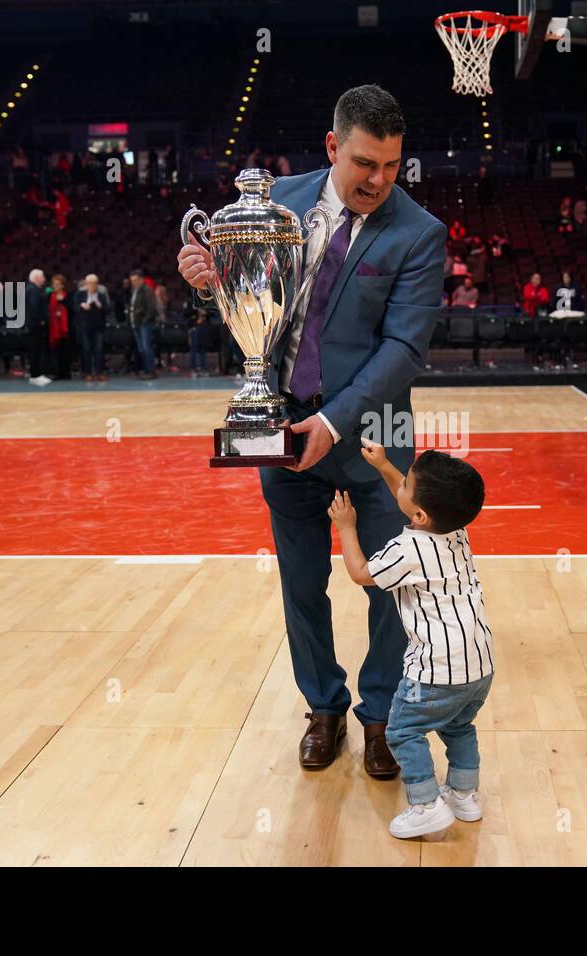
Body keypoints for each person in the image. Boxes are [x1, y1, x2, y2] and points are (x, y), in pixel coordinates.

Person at [177, 84, 446, 778]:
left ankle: (381, 716)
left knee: (393, 587)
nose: (380, 180)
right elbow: (250, 317)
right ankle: (323, 708)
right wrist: (213, 285)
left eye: (391, 165)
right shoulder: (274, 206)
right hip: (280, 421)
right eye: (364, 163)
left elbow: (404, 351)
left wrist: (331, 423)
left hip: (373, 434)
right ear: (333, 148)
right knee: (302, 582)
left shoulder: (419, 233)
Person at [329, 441, 492, 839]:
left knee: (402, 731)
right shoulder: (456, 532)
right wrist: (385, 465)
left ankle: (426, 804)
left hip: (434, 670)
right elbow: (411, 497)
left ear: (418, 514)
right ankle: (464, 796)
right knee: (458, 726)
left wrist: (347, 528)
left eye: (406, 486)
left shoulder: (409, 548)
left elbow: (362, 573)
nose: (399, 487)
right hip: (479, 665)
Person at [74, 274, 109, 381]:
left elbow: (108, 310)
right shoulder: (80, 294)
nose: (92, 285)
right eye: (90, 283)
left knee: (99, 349)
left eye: (95, 283)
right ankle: (88, 372)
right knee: (87, 349)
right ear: (86, 284)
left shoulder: (101, 295)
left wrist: (101, 306)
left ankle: (99, 372)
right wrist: (81, 306)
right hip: (85, 326)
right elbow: (74, 307)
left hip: (98, 327)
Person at [127, 269, 159, 379]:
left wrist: (145, 320)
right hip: (136, 323)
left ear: (141, 279)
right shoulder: (134, 290)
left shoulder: (147, 290)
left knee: (147, 348)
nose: (133, 282)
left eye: (135, 280)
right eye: (132, 280)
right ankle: (146, 370)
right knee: (141, 349)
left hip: (144, 324)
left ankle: (151, 371)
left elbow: (152, 308)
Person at [24, 269, 51, 386]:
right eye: (42, 277)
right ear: (36, 278)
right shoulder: (33, 290)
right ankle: (35, 375)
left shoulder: (32, 289)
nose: (44, 279)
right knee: (35, 350)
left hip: (33, 324)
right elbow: (35, 308)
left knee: (36, 350)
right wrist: (42, 321)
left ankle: (36, 374)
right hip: (35, 325)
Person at [48, 274, 73, 380]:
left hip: (66, 328)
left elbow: (71, 310)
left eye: (58, 284)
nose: (56, 286)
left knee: (66, 352)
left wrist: (62, 301)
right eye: (54, 284)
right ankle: (56, 372)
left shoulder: (68, 296)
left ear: (62, 285)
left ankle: (66, 373)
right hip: (54, 328)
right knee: (55, 352)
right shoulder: (50, 296)